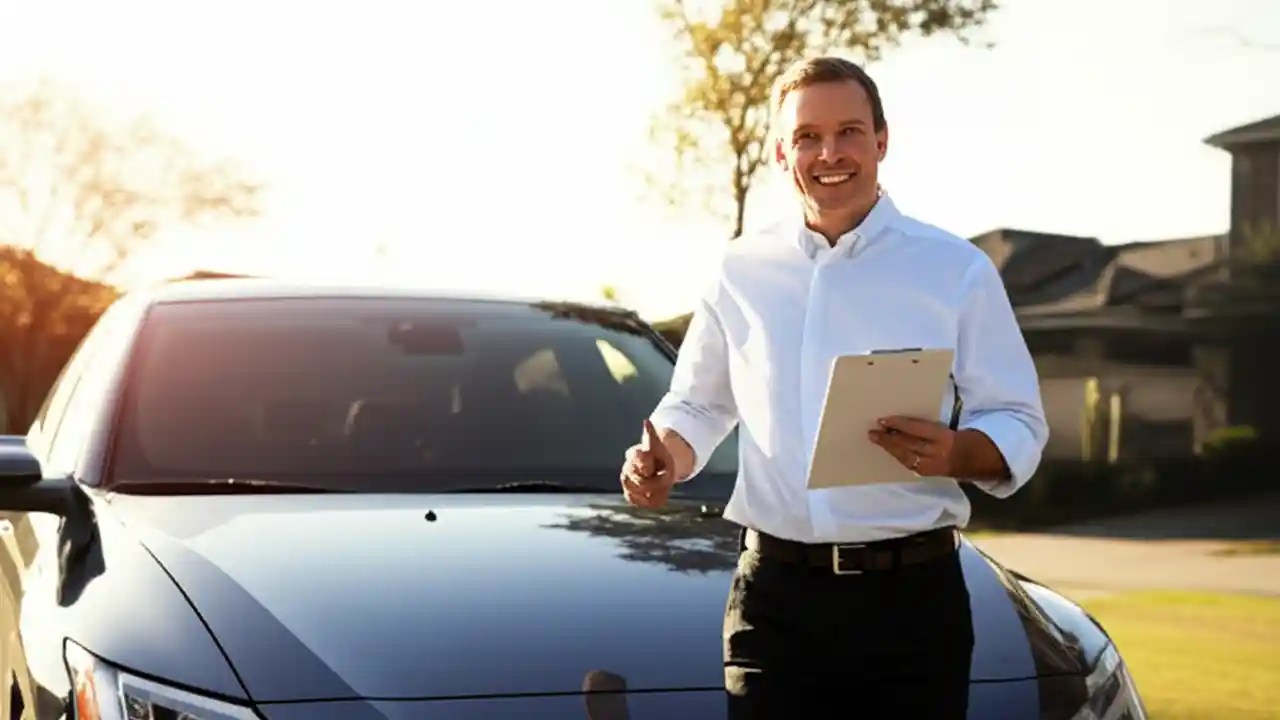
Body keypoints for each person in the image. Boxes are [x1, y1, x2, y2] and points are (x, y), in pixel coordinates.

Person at [620, 56, 1049, 718]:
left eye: (850, 131)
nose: (830, 153)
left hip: (912, 605)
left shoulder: (955, 270)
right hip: (774, 602)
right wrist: (663, 459)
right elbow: (701, 402)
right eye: (808, 136)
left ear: (882, 140)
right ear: (781, 152)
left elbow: (1018, 416)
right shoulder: (740, 269)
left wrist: (960, 453)